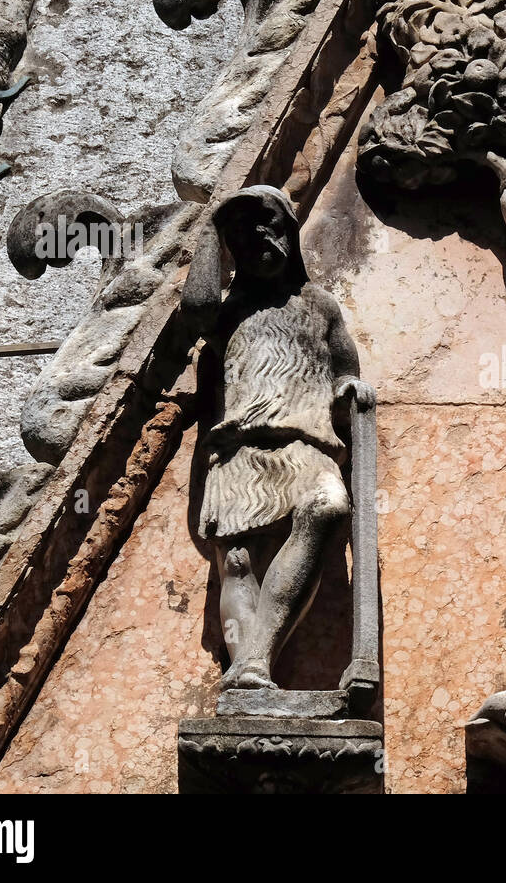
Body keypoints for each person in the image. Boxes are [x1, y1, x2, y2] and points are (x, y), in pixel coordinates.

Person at [184, 185, 374, 690]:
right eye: (241, 236)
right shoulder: (228, 312)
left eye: (266, 225)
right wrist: (210, 228)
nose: (256, 240)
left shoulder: (319, 306)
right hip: (239, 447)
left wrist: (349, 387)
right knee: (240, 563)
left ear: (289, 229)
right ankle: (250, 674)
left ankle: (256, 656)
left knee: (328, 504)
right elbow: (197, 307)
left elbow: (345, 368)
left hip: (304, 443)